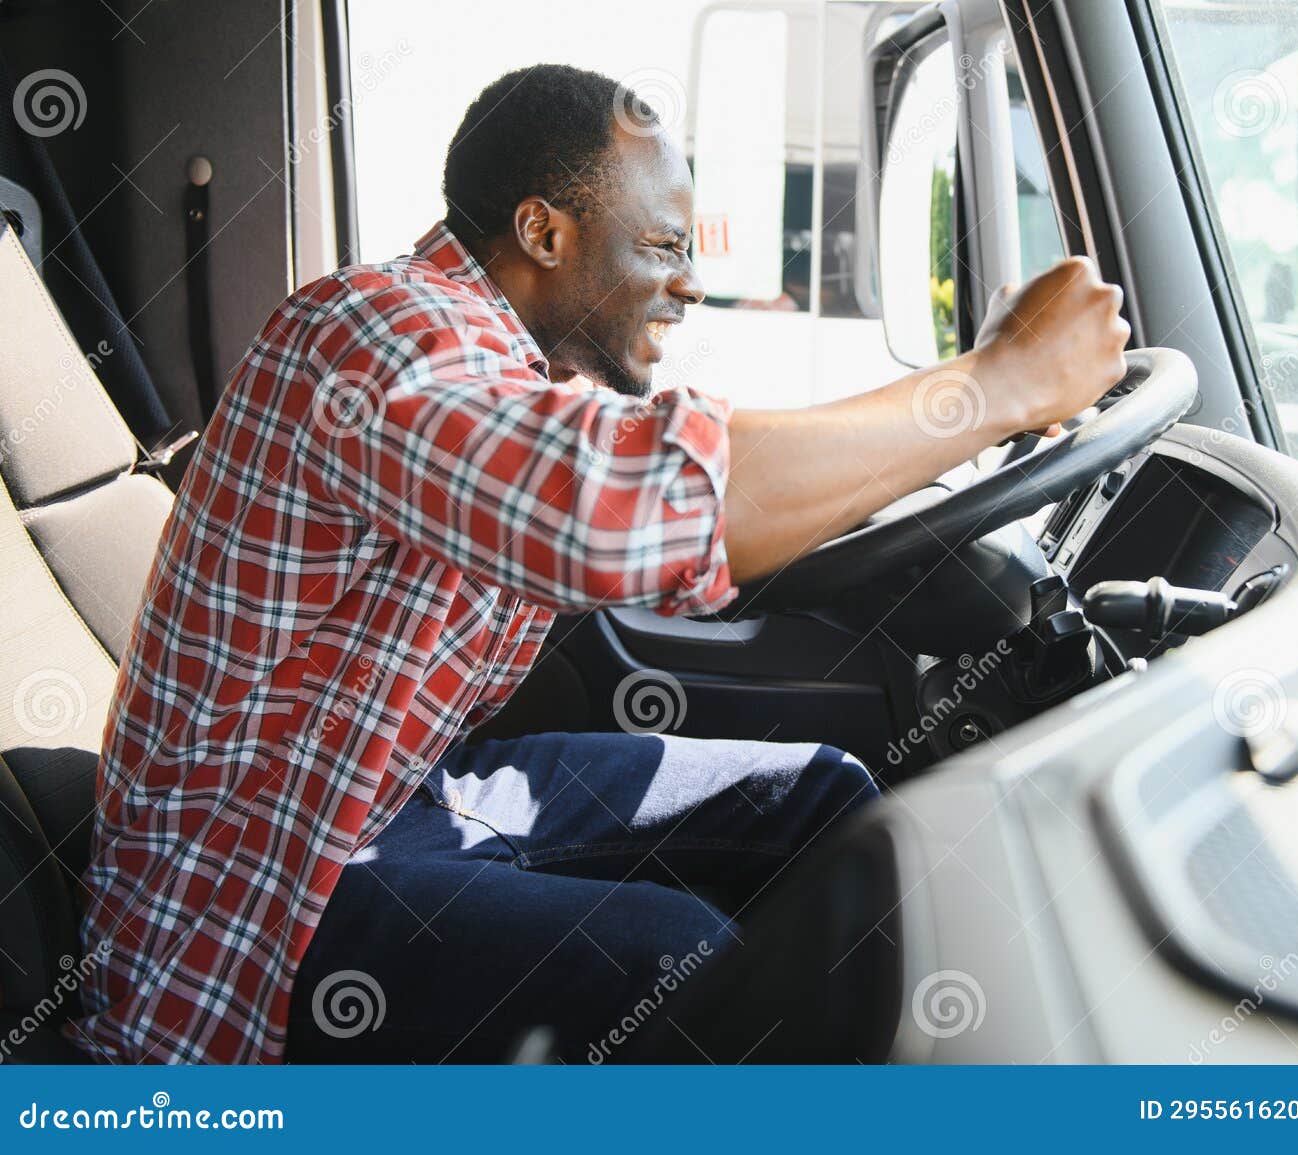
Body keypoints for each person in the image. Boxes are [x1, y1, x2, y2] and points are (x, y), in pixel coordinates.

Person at [70, 63, 1129, 1064]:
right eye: (665, 248)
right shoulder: (378, 329)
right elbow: (620, 508)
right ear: (543, 231)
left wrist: (957, 424)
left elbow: (676, 482)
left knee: (824, 797)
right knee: (675, 959)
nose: (690, 286)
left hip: (394, 799)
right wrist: (997, 382)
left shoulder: (505, 371)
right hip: (261, 884)